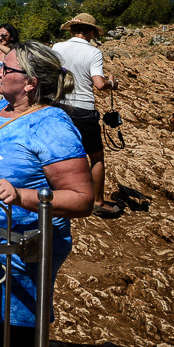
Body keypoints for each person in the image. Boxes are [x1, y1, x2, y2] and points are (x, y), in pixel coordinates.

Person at [0, 41, 93, 347]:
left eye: (7, 68)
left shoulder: (52, 126)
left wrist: (21, 195)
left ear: (30, 82)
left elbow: (82, 199)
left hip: (18, 255)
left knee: (14, 340)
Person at [52, 14, 121, 218]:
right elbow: (99, 84)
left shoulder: (57, 48)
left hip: (60, 106)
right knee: (96, 157)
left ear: (73, 30)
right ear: (90, 32)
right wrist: (112, 83)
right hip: (83, 109)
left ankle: (58, 195)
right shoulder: (93, 52)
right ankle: (98, 202)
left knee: (59, 153)